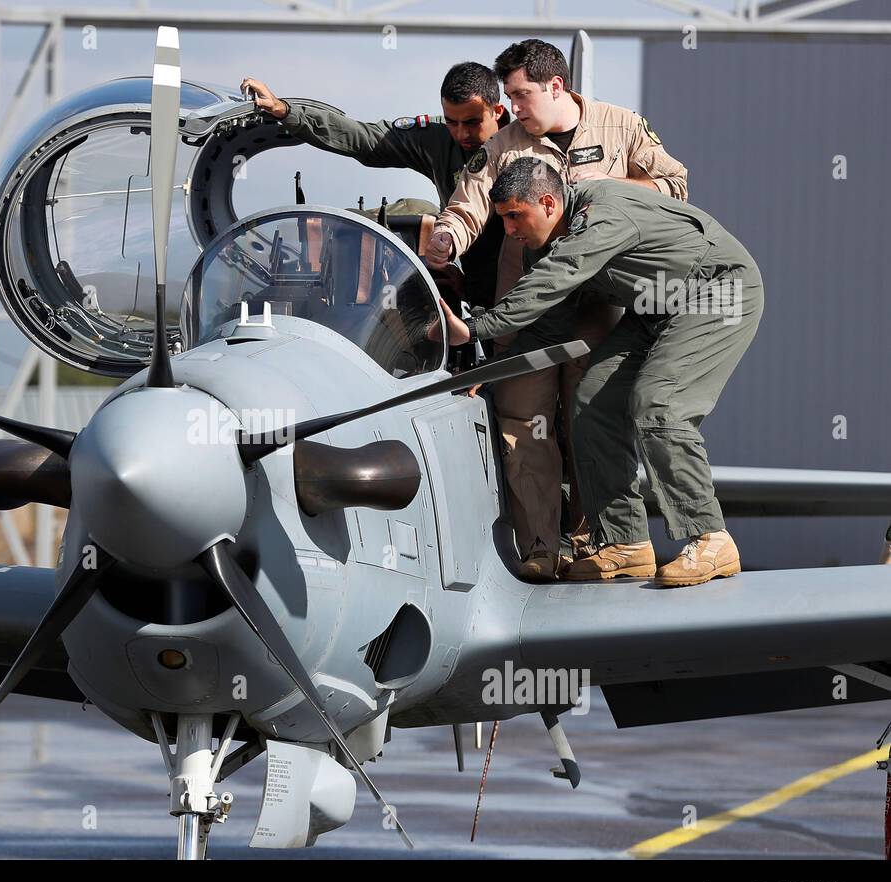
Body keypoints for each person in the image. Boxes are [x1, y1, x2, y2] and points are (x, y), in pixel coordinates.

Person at [424, 39, 689, 582]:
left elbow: (676, 187)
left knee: (593, 420)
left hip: (602, 305)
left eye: (521, 96)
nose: (513, 106)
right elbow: (468, 202)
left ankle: (600, 541)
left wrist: (609, 184)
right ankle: (541, 546)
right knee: (525, 426)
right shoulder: (502, 145)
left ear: (556, 86)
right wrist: (448, 237)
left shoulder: (623, 127)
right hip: (529, 308)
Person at [441, 157, 761, 587]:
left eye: (516, 216)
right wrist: (494, 366)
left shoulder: (603, 214)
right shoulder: (551, 241)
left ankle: (710, 536)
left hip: (717, 291)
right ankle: (625, 541)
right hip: (657, 307)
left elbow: (560, 275)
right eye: (504, 220)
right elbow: (549, 321)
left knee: (658, 404)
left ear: (550, 204)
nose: (511, 230)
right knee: (591, 402)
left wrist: (476, 327)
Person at [240, 62, 508, 308]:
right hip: (477, 292)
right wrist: (284, 110)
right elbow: (363, 139)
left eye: (472, 123)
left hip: (525, 288)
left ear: (498, 111)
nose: (461, 133)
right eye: (452, 122)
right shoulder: (437, 140)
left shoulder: (528, 147)